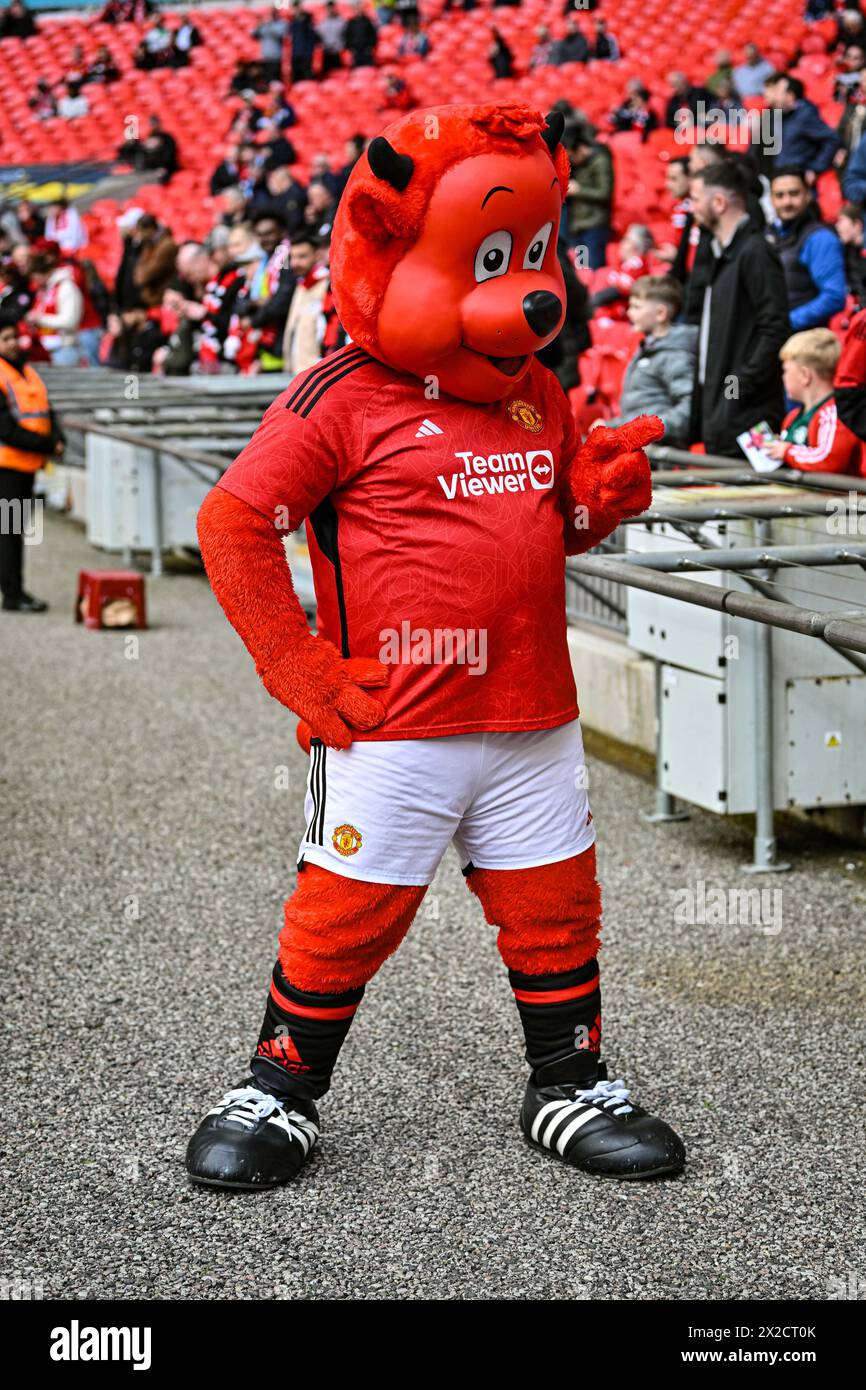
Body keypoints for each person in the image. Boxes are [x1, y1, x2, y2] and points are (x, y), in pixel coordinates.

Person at [185, 101, 683, 1193]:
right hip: (394, 719)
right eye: (492, 256)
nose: (531, 285)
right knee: (344, 908)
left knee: (554, 902)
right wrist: (295, 664)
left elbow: (548, 525)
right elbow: (232, 522)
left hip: (532, 715)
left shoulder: (532, 390)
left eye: (534, 253)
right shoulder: (339, 397)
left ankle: (567, 1077)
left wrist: (595, 506)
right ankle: (277, 1084)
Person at [688, 160, 790, 456]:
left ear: (719, 202)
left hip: (745, 412)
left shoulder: (755, 252)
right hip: (723, 409)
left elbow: (776, 328)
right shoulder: (722, 254)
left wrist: (737, 389)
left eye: (695, 199)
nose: (690, 207)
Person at [0, 312, 65, 614]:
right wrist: (49, 444)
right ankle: (13, 594)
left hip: (25, 465)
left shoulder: (26, 371)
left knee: (12, 532)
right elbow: (6, 429)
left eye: (14, 336)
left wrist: (57, 436)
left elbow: (46, 410)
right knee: (9, 534)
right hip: (8, 467)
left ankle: (13, 590)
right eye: (6, 339)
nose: (13, 343)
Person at [603, 276, 698, 447]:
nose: (629, 312)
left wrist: (649, 431)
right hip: (642, 448)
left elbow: (688, 407)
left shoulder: (675, 355)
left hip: (664, 455)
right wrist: (612, 427)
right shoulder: (646, 348)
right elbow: (640, 411)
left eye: (636, 307)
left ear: (661, 313)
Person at [761, 328, 862, 473]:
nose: (782, 377)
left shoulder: (835, 413)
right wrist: (775, 448)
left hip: (838, 496)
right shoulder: (792, 417)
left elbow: (828, 459)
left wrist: (786, 451)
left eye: (786, 370)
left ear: (804, 375)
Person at [765, 167, 847, 329]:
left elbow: (834, 296)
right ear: (771, 199)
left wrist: (788, 322)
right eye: (779, 195)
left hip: (806, 344)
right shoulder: (768, 233)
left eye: (794, 193)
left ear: (808, 195)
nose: (787, 202)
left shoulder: (820, 238)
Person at [763, 73, 840, 176]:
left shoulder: (805, 115)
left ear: (790, 96)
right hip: (780, 174)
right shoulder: (778, 115)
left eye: (777, 93)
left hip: (797, 176)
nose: (774, 97)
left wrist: (815, 168)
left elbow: (832, 139)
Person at [564, 121, 613, 267]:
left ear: (580, 149)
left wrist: (578, 191)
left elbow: (605, 193)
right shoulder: (580, 165)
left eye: (572, 155)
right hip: (578, 225)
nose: (572, 160)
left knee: (593, 269)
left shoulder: (601, 161)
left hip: (594, 225)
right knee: (581, 270)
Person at [281, 233, 329, 373]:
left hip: (318, 375)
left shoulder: (328, 285)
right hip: (296, 373)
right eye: (293, 257)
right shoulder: (301, 286)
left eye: (302, 256)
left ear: (317, 255)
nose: (295, 263)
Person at [837, 201, 866, 302]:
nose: (837, 227)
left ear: (857, 225)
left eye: (841, 221)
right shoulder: (844, 253)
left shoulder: (861, 255)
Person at [254, 7, 289, 83]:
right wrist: (259, 25)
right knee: (266, 80)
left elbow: (279, 34)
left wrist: (269, 24)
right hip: (265, 57)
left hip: (275, 57)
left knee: (275, 81)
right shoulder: (264, 25)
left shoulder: (282, 24)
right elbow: (254, 35)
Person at [289, 3, 320, 83]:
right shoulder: (293, 23)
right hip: (296, 54)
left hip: (306, 54)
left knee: (306, 77)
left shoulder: (308, 22)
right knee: (296, 77)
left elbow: (314, 38)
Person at [344, 1, 378, 67]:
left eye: (359, 8)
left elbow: (373, 35)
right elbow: (347, 36)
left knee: (368, 69)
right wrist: (351, 48)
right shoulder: (351, 22)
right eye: (356, 8)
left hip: (366, 51)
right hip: (356, 51)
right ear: (354, 9)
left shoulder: (367, 21)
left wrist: (370, 47)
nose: (358, 10)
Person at [317, 0, 345, 75]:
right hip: (326, 53)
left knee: (339, 75)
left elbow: (346, 36)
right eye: (328, 8)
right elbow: (319, 37)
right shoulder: (322, 23)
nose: (330, 10)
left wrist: (340, 46)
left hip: (337, 53)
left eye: (332, 7)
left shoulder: (341, 22)